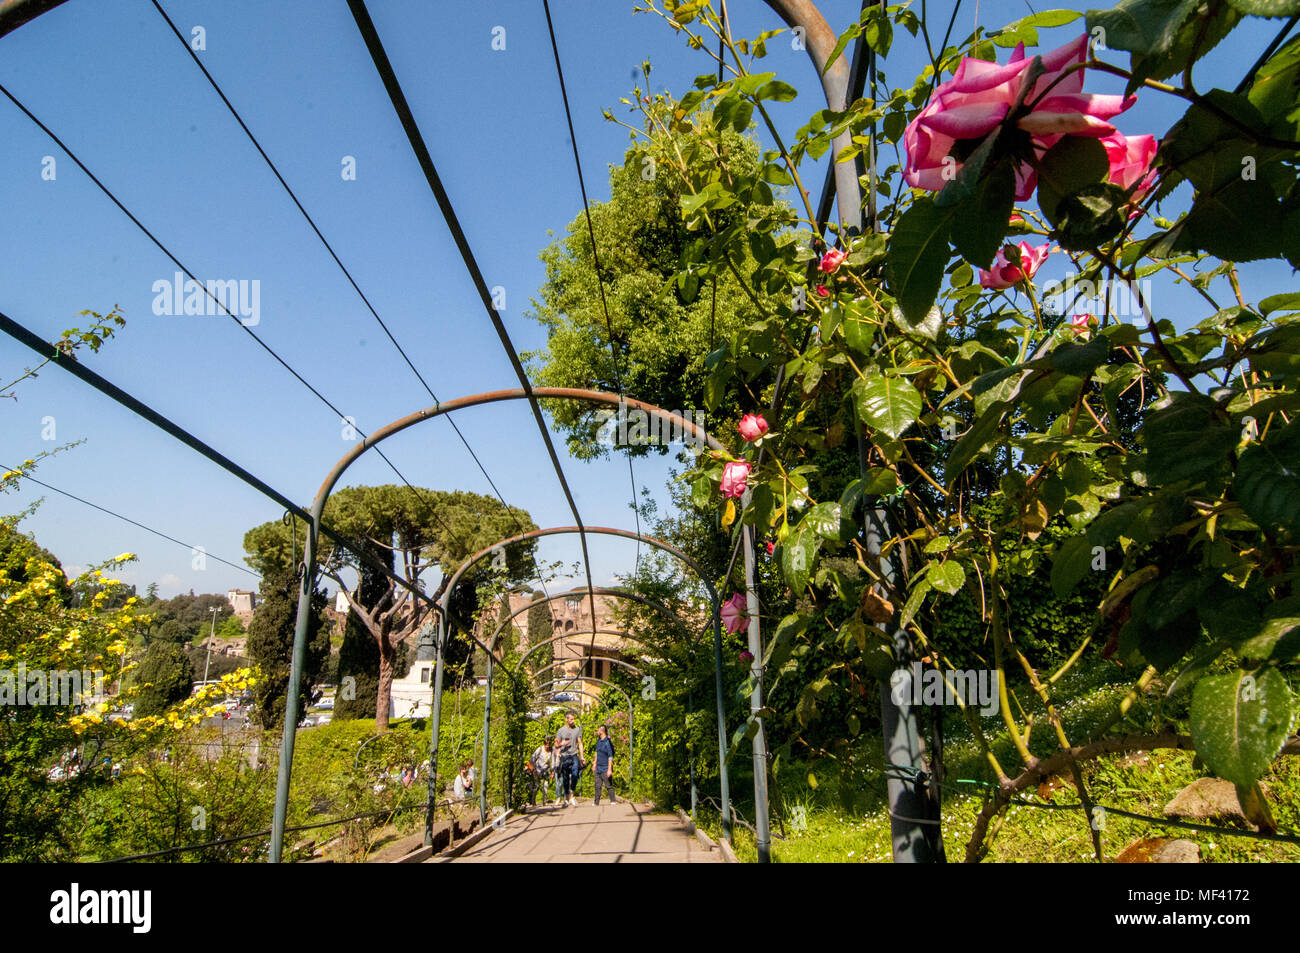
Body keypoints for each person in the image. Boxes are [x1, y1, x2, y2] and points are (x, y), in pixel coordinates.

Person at [553, 711, 585, 807]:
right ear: (566, 719)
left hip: (574, 755)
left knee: (575, 774)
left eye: (573, 719)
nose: (572, 721)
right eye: (571, 719)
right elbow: (555, 745)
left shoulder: (577, 729)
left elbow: (580, 743)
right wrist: (561, 744)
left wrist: (582, 756)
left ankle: (572, 795)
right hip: (564, 756)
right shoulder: (561, 730)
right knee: (565, 777)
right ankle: (567, 798)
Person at [525, 738, 554, 807]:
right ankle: (533, 800)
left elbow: (552, 762)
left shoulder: (551, 752)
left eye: (549, 745)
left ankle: (544, 801)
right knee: (537, 786)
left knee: (545, 785)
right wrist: (531, 767)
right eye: (546, 745)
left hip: (546, 770)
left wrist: (552, 771)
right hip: (537, 770)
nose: (547, 746)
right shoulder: (540, 749)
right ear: (544, 744)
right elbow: (533, 758)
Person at [592, 725, 617, 806]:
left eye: (598, 730)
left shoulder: (607, 742)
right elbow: (596, 753)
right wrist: (594, 764)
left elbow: (610, 756)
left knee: (608, 785)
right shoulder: (598, 741)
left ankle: (612, 800)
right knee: (597, 785)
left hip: (605, 766)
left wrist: (609, 769)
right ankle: (596, 802)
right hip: (598, 767)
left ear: (602, 731)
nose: (597, 731)